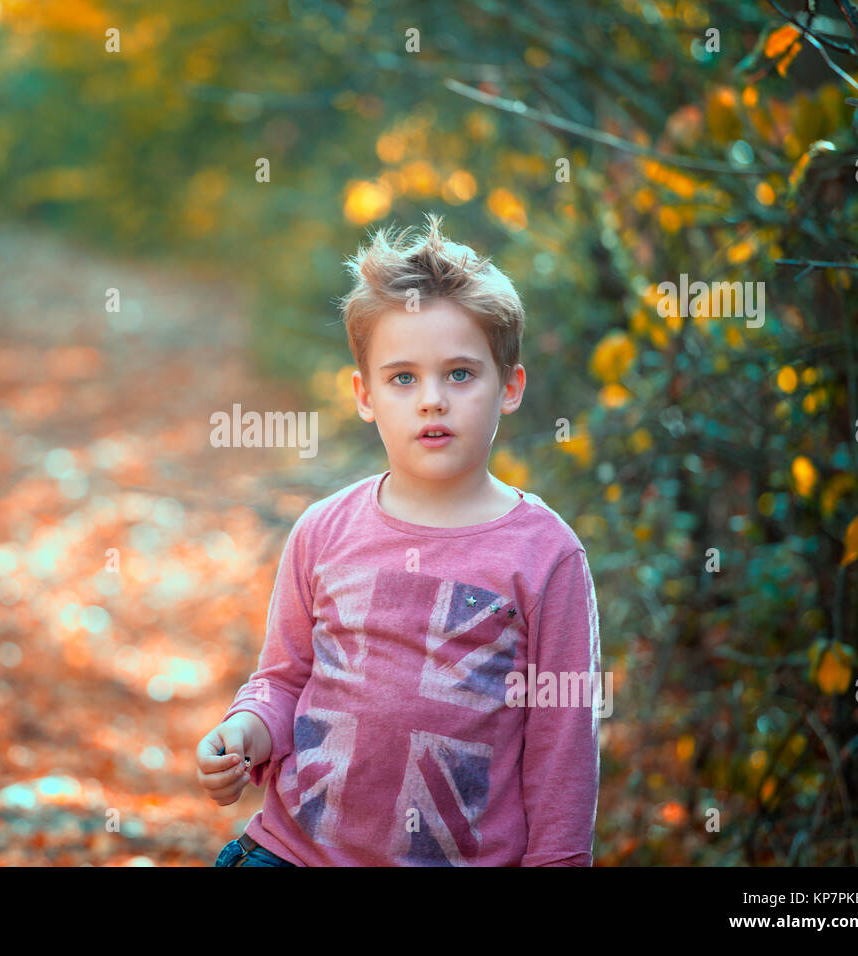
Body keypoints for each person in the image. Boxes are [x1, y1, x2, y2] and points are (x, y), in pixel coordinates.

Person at [196, 211, 601, 866]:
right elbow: (282, 681)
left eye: (461, 375)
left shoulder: (545, 557)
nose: (432, 401)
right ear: (365, 394)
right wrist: (242, 733)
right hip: (292, 853)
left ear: (511, 387)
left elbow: (563, 756)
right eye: (403, 377)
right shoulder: (324, 532)